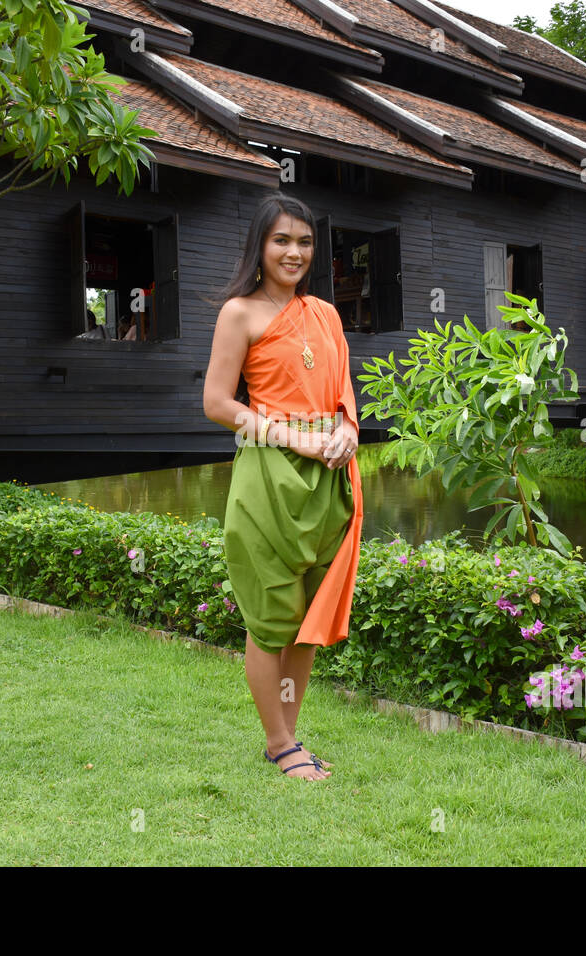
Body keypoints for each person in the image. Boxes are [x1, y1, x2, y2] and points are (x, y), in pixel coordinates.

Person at [202, 193, 364, 781]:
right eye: (281, 241)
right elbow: (217, 403)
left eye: (304, 241)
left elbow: (344, 390)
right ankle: (278, 741)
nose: (294, 252)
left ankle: (288, 738)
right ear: (260, 246)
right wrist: (292, 439)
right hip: (269, 476)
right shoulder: (239, 313)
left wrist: (348, 427)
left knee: (307, 618)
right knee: (271, 616)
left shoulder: (325, 313)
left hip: (328, 479)